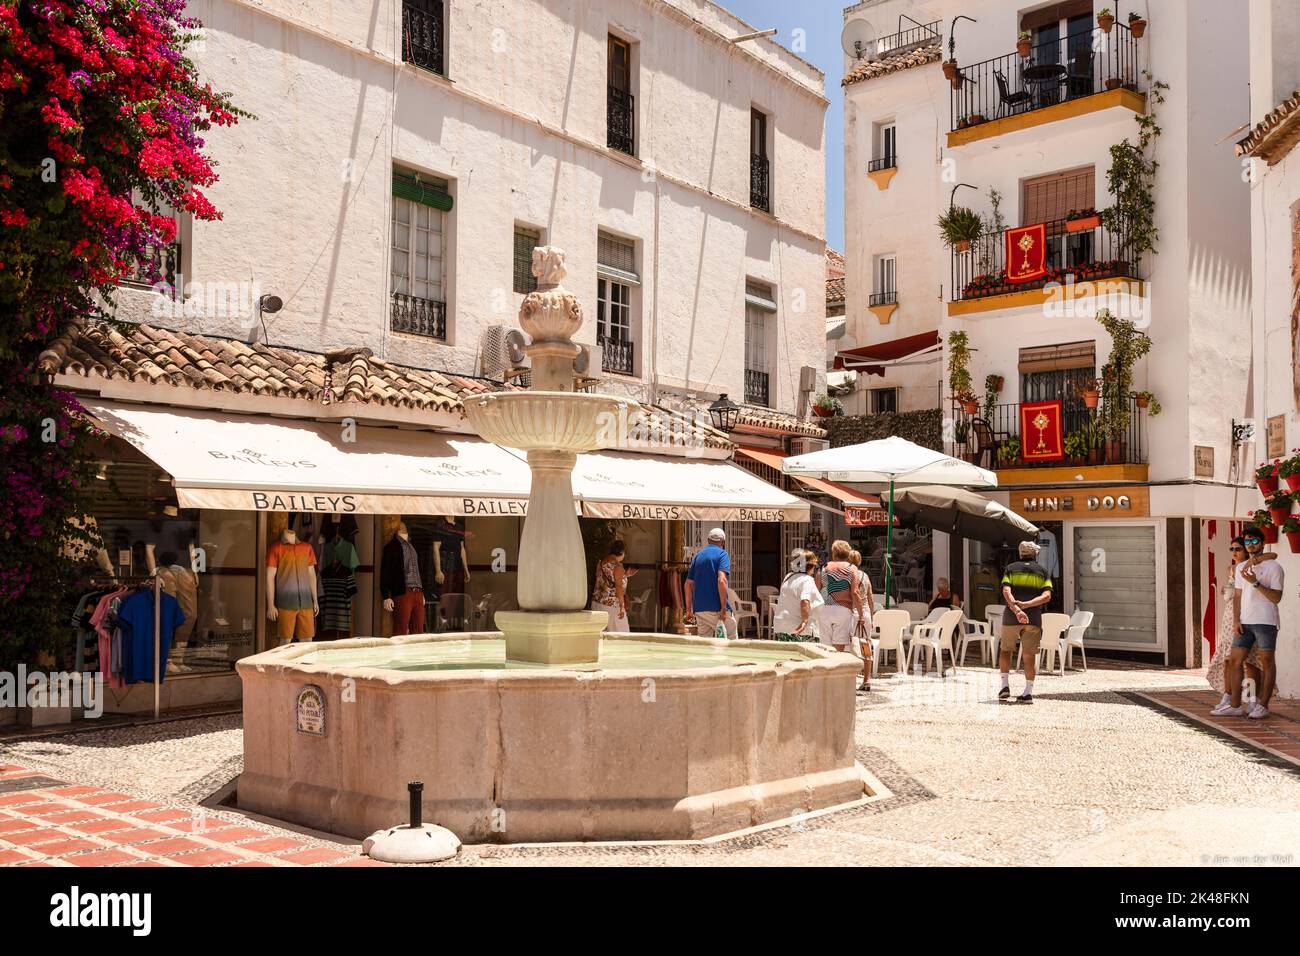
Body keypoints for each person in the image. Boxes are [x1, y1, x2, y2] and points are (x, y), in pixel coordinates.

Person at [1221, 526, 1284, 718]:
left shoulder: (1274, 567)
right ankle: (1235, 705)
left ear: (1262, 543)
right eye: (1247, 541)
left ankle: (1263, 705)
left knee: (1267, 662)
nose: (1251, 544)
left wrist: (1256, 583)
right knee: (1234, 661)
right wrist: (1236, 620)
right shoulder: (1241, 567)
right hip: (1244, 622)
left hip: (1266, 621)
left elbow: (1276, 598)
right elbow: (1238, 596)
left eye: (1255, 540)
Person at [1206, 536, 1267, 710]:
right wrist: (1226, 591)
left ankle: (1253, 699)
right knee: (1228, 660)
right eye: (1232, 549)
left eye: (1238, 549)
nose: (1234, 552)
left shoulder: (1255, 566)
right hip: (1230, 617)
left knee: (1250, 661)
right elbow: (1232, 593)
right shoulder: (1231, 569)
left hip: (1249, 616)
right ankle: (1228, 696)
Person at [998, 540, 1054, 704]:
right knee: (1029, 655)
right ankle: (1028, 692)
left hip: (1011, 617)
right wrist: (1027, 605)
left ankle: (1004, 686)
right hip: (1033, 619)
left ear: (1020, 553)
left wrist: (1017, 609)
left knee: (1005, 650)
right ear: (1035, 553)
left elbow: (1006, 591)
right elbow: (1047, 596)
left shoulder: (1010, 568)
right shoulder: (1042, 571)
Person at [684, 528, 735, 638]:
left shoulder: (698, 556)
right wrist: (723, 608)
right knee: (731, 642)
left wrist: (688, 610)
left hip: (700, 610)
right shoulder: (722, 554)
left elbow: (688, 584)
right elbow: (721, 580)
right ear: (722, 542)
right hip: (717, 608)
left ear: (708, 540)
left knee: (705, 644)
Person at [818, 540, 864, 655]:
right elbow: (855, 592)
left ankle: (826, 666)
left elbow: (816, 590)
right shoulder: (851, 568)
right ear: (848, 553)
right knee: (838, 649)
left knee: (824, 647)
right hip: (843, 610)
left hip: (824, 609)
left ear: (833, 553)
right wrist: (861, 614)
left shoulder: (824, 567)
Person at [773, 549, 823, 643]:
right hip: (800, 629)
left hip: (782, 626)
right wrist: (804, 621)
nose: (814, 569)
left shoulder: (788, 577)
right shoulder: (807, 580)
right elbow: (805, 600)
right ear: (810, 566)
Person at [591, 539, 636, 633]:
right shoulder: (618, 566)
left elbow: (605, 580)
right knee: (622, 635)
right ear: (622, 552)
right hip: (611, 607)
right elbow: (618, 586)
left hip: (597, 604)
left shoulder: (601, 562)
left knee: (602, 636)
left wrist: (625, 575)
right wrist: (622, 606)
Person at [849, 549, 876, 690]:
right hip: (865, 614)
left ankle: (851, 677)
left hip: (853, 613)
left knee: (850, 645)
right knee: (866, 645)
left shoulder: (849, 575)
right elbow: (870, 598)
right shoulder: (865, 576)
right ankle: (867, 679)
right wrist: (871, 616)